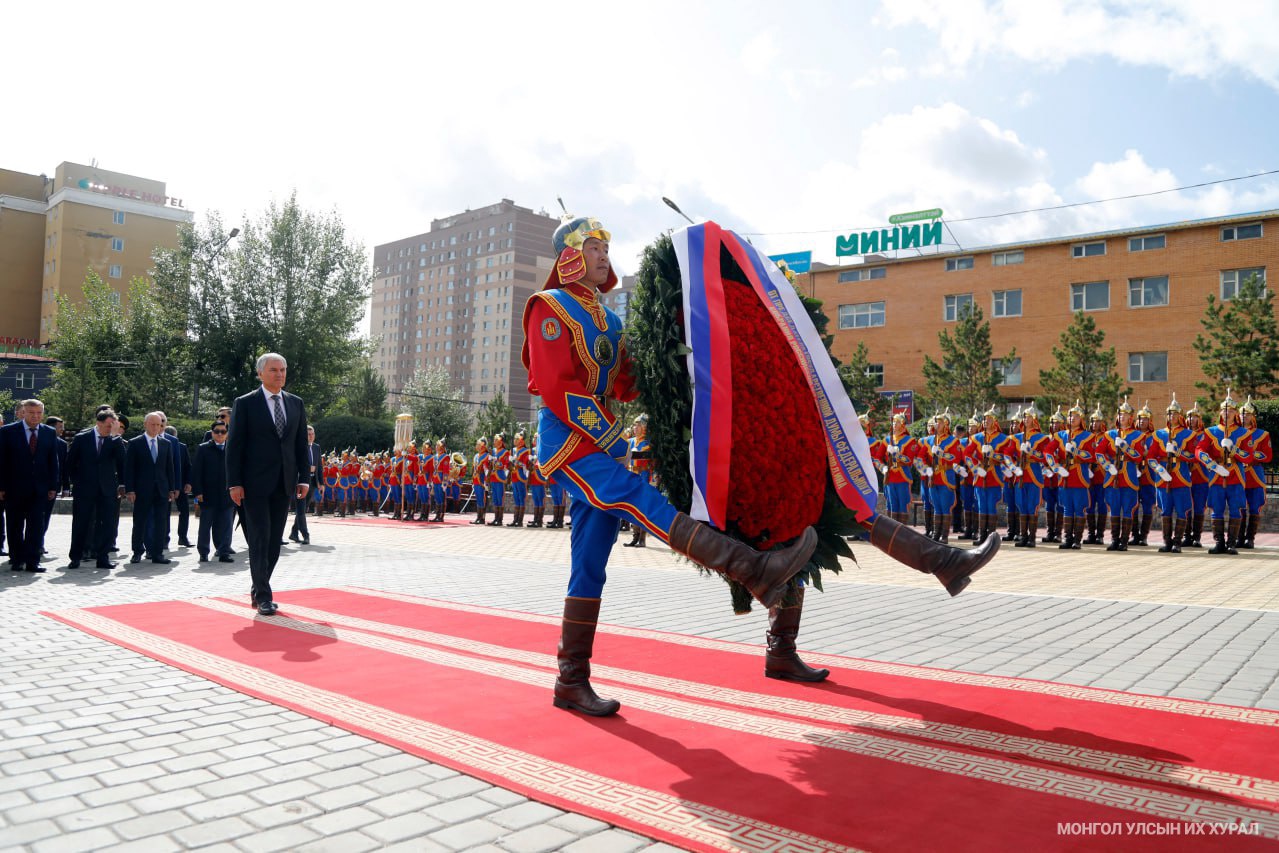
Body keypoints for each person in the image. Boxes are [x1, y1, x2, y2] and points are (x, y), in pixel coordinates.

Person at [225, 352, 311, 615]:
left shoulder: (295, 403)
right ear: (260, 373)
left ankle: (258, 586)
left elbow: (300, 445)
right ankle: (264, 596)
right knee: (259, 538)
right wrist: (234, 483)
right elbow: (235, 446)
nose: (280, 374)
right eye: (274, 370)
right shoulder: (245, 403)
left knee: (274, 542)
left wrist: (304, 479)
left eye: (283, 369)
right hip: (254, 484)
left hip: (284, 483)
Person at [0, 399, 61, 572]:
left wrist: (53, 486)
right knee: (15, 525)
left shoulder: (49, 432)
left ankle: (33, 561)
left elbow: (53, 461)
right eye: (31, 413)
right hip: (14, 488)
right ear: (23, 413)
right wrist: (1, 486)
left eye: (39, 413)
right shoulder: (8, 431)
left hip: (39, 488)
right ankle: (17, 559)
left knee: (36, 526)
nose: (35, 416)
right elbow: (2, 461)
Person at [66, 409, 126, 568]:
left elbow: (122, 461)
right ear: (99, 423)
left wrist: (115, 437)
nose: (111, 429)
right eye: (108, 426)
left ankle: (102, 557)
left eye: (114, 426)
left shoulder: (114, 439)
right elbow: (70, 463)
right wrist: (76, 482)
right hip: (84, 489)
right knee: (81, 523)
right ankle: (76, 557)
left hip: (107, 489)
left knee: (107, 524)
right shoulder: (82, 438)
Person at [125, 412, 176, 564]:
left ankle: (157, 553)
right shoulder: (135, 443)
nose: (155, 427)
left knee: (161, 522)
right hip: (141, 490)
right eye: (152, 424)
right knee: (140, 521)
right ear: (145, 424)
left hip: (161, 489)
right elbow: (129, 469)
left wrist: (172, 489)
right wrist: (130, 489)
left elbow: (169, 468)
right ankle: (137, 552)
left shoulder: (166, 443)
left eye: (158, 425)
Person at [192, 420, 235, 562]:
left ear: (227, 433)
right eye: (217, 431)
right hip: (207, 495)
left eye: (223, 431)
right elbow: (196, 472)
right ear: (212, 433)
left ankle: (224, 552)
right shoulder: (203, 448)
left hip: (227, 495)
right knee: (205, 526)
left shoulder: (232, 448)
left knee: (226, 525)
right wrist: (198, 493)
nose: (220, 434)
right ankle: (203, 552)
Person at [1239, 396, 1271, 550]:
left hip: (1255, 475)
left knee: (1254, 507)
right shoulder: (1234, 434)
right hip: (1238, 474)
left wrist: (1251, 455)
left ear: (1253, 416)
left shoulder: (1262, 434)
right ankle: (1238, 538)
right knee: (1239, 507)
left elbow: (1267, 455)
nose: (1244, 416)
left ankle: (1250, 538)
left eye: (1247, 414)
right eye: (1242, 414)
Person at [162, 421, 193, 547]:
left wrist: (188, 482)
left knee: (175, 512)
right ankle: (177, 537)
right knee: (171, 512)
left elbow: (187, 466)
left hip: (180, 484)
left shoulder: (182, 447)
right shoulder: (164, 445)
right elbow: (188, 467)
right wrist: (188, 482)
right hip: (171, 484)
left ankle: (175, 538)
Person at [290, 425, 320, 543]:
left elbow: (319, 467)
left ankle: (294, 533)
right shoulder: (298, 447)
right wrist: (308, 469)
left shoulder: (316, 447)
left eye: (312, 434)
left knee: (303, 509)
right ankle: (305, 535)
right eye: (308, 434)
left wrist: (321, 483)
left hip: (312, 482)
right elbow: (294, 464)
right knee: (301, 509)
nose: (311, 436)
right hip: (300, 482)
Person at [507, 431, 531, 528]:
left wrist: (516, 462)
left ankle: (520, 521)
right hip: (514, 477)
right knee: (516, 498)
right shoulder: (512, 450)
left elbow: (525, 464)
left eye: (517, 439)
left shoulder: (526, 451)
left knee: (521, 498)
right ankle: (515, 519)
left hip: (521, 477)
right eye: (515, 439)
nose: (515, 441)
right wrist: (509, 463)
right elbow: (508, 464)